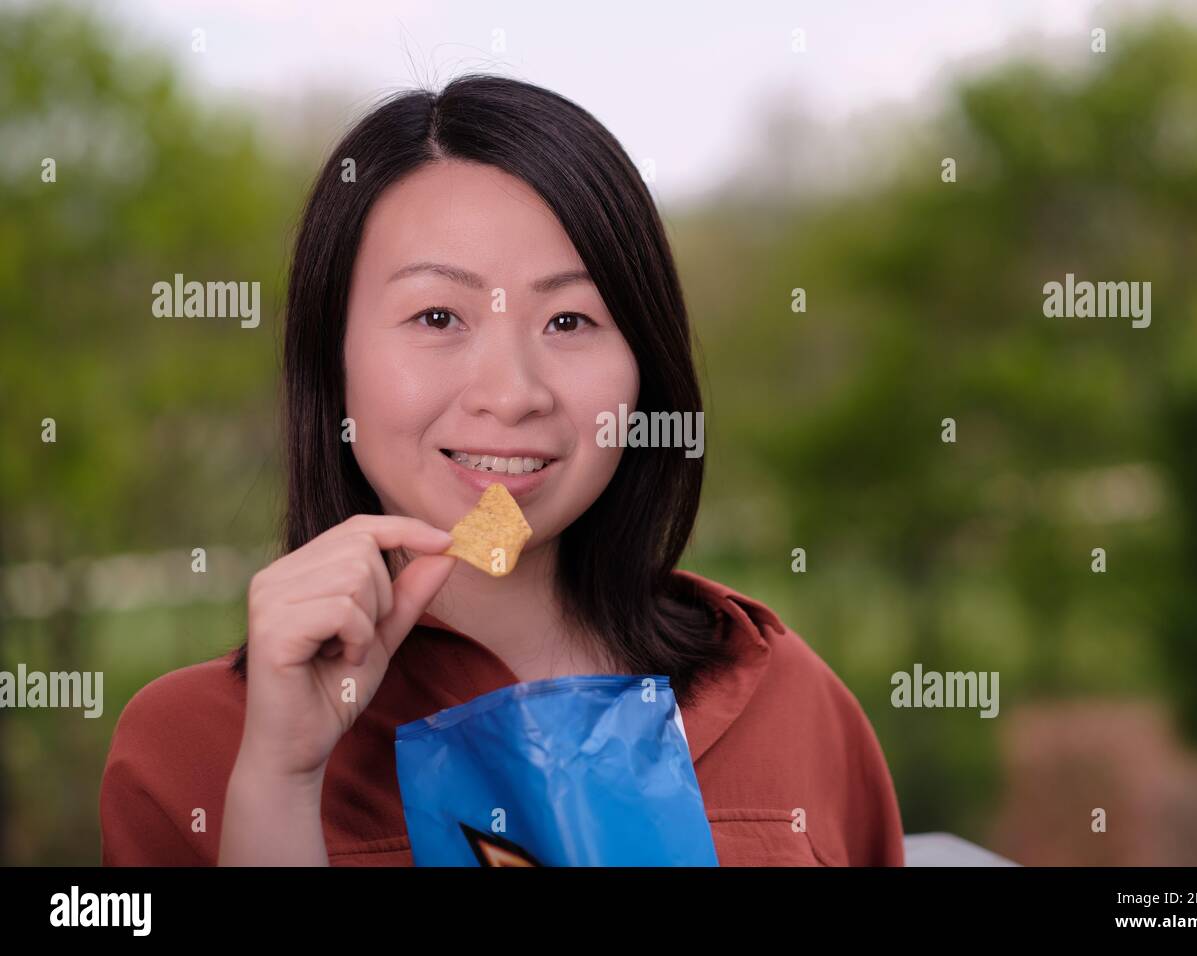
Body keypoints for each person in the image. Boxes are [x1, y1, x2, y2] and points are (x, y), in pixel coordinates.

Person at [99, 75, 905, 867]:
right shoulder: (190, 753)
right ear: (331, 359)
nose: (512, 395)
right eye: (437, 316)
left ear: (644, 367)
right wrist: (279, 788)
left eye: (569, 318)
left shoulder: (787, 703)